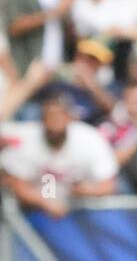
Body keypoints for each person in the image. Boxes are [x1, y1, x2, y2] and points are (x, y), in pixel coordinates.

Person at [0, 90, 118, 218]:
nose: (55, 121)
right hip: (33, 212)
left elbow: (108, 185)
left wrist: (87, 190)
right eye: (51, 116)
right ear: (42, 119)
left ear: (69, 118)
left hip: (77, 212)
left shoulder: (89, 139)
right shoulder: (27, 138)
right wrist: (45, 203)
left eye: (60, 116)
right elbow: (17, 183)